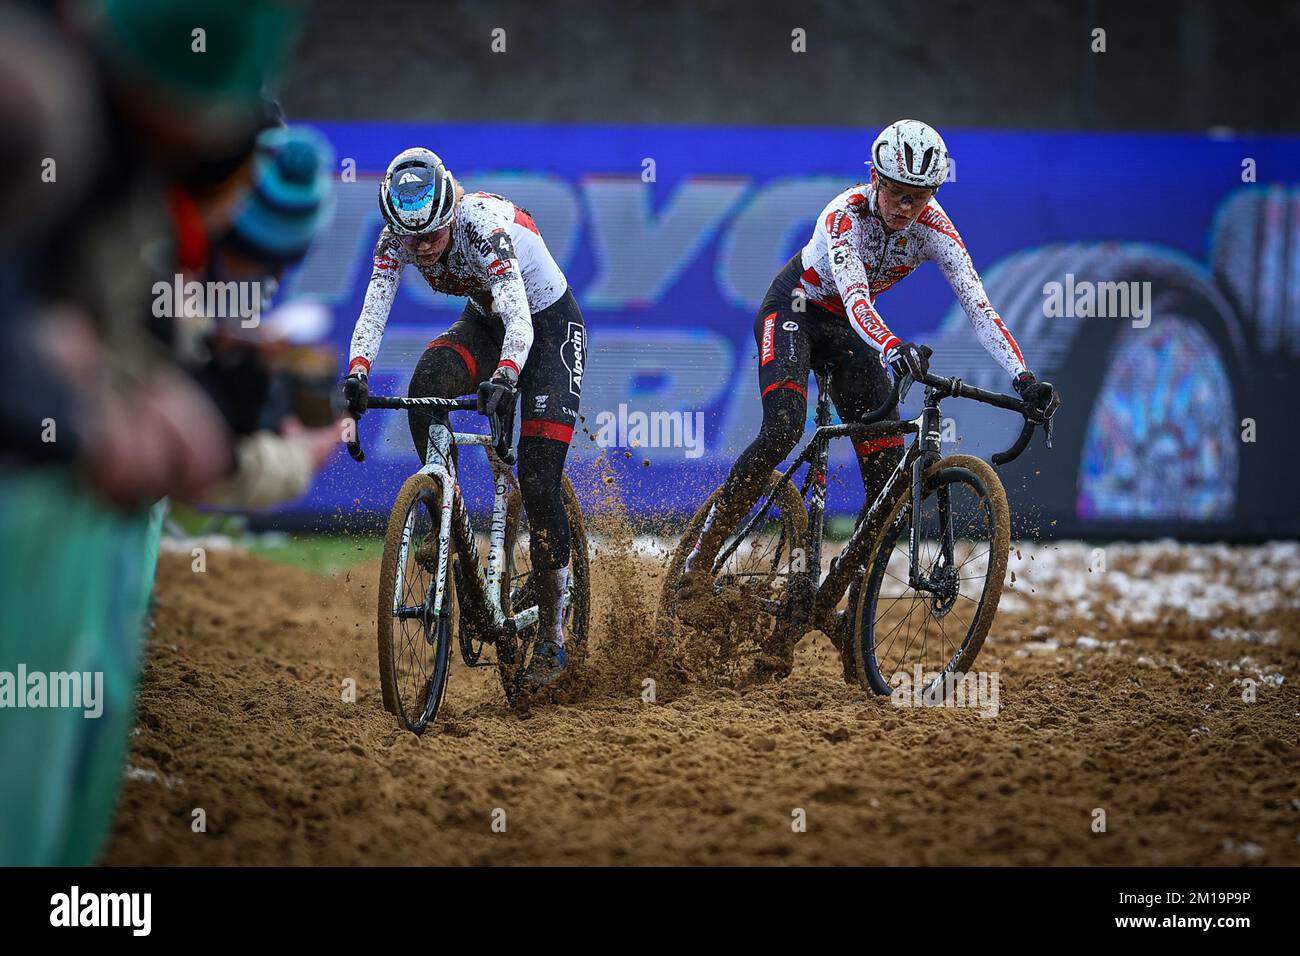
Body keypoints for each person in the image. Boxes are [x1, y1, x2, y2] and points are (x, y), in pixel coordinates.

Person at [680, 119, 1061, 647]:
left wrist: (1023, 378)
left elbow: (979, 307)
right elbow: (856, 298)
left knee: (887, 478)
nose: (907, 209)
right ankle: (700, 558)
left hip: (847, 332)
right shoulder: (844, 217)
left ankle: (847, 606)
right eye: (898, 194)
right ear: (875, 180)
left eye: (920, 197)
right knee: (783, 430)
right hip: (794, 311)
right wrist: (892, 347)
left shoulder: (936, 229)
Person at [343, 148, 585, 691]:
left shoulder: (486, 230)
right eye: (413, 241)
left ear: (451, 209)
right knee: (427, 385)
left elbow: (520, 324)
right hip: (485, 321)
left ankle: (553, 633)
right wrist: (357, 374)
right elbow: (373, 310)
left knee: (539, 477)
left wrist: (503, 379)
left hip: (545, 328)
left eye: (432, 236)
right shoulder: (397, 239)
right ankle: (444, 520)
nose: (423, 250)